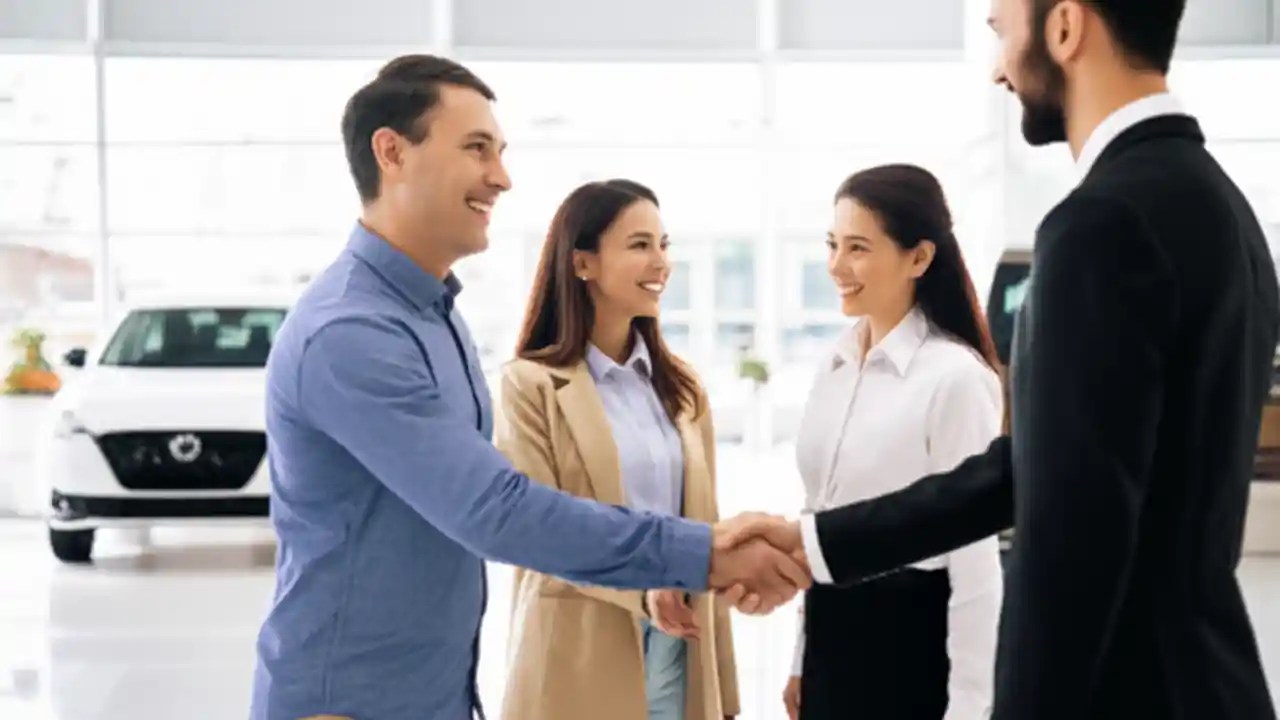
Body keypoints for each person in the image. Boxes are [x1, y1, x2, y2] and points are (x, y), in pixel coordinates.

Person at [722, 1, 1280, 718]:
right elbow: (1045, 471)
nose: (997, 69)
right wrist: (816, 542)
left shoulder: (1100, 224)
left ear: (1065, 27)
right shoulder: (1222, 207)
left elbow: (1068, 552)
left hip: (1126, 691)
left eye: (1000, 32)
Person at [249, 55, 808, 720]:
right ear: (391, 152)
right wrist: (701, 551)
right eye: (477, 149)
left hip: (435, 693)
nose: (502, 178)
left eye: (501, 152)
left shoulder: (435, 316)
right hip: (347, 703)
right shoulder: (350, 334)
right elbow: (496, 511)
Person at [496, 179, 739, 720]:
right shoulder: (531, 385)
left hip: (680, 647)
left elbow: (706, 526)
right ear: (583, 263)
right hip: (579, 656)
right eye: (639, 245)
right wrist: (644, 587)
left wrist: (723, 689)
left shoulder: (682, 390)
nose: (661, 263)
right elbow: (534, 533)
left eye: (664, 244)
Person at [783, 165, 1003, 720]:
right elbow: (818, 514)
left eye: (857, 247)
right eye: (833, 244)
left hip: (910, 644)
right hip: (832, 633)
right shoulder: (834, 364)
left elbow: (976, 562)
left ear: (919, 258)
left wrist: (972, 706)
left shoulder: (955, 377)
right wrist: (799, 659)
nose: (836, 265)